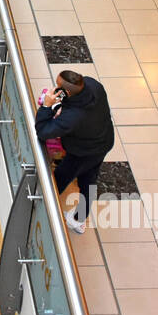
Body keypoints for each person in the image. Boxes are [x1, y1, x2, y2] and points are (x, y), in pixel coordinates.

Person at [34, 70, 115, 235]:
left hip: (83, 152)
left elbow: (43, 130)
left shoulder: (73, 117)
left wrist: (47, 107)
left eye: (58, 86)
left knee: (59, 179)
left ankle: (42, 205)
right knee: (89, 179)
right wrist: (61, 105)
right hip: (103, 140)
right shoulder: (93, 85)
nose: (55, 88)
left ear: (67, 92)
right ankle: (79, 218)